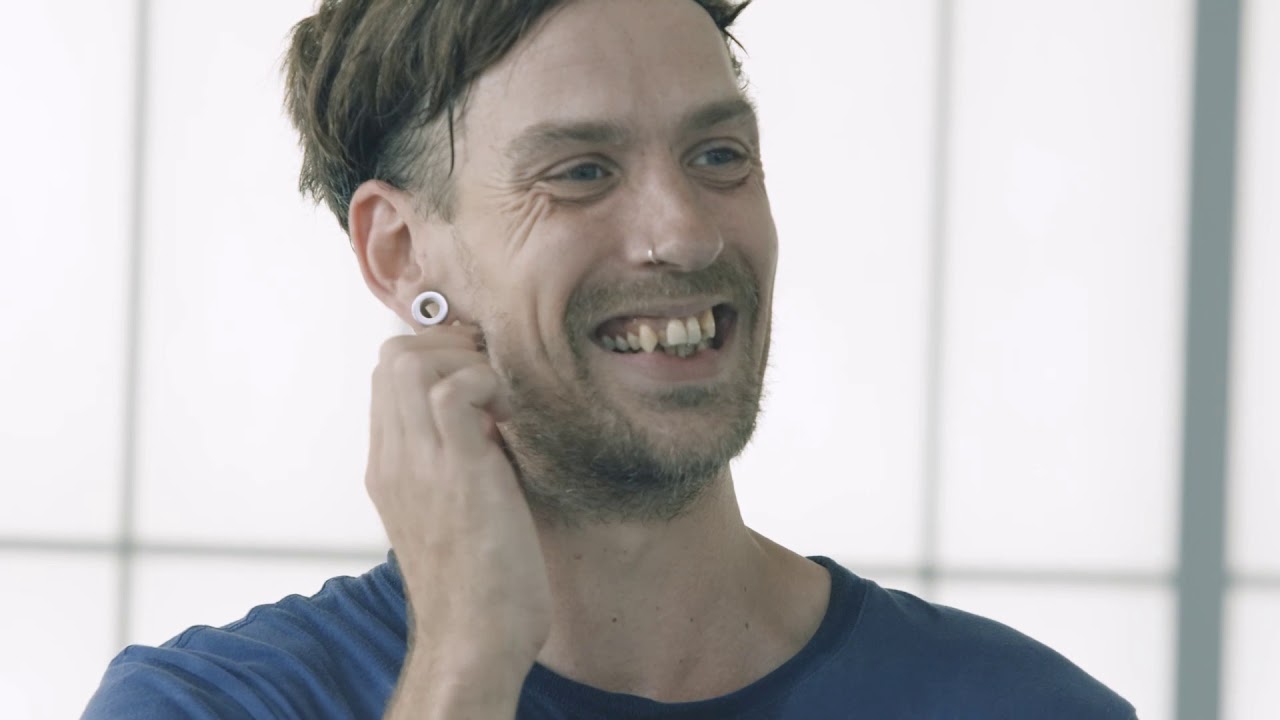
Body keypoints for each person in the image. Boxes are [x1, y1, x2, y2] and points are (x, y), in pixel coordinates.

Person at [83, 0, 1138, 718]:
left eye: (717, 156)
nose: (682, 233)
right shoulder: (215, 704)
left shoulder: (1021, 705)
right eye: (581, 172)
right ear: (402, 252)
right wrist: (465, 660)